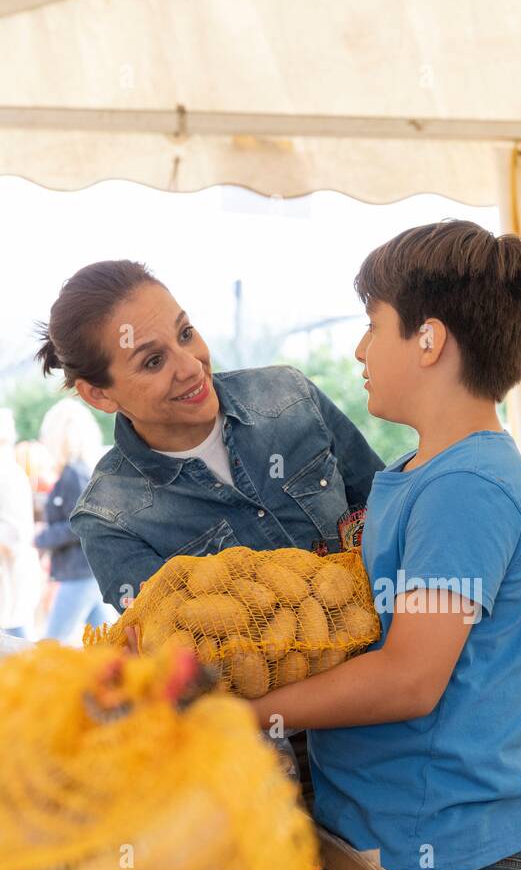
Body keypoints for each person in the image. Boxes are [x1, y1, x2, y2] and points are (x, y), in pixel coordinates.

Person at [251, 220, 521, 870]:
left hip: (439, 853)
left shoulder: (467, 487)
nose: (358, 349)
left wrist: (252, 713)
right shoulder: (421, 475)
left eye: (372, 325)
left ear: (430, 340)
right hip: (386, 831)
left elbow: (411, 678)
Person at [35, 260, 384, 788]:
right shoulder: (110, 517)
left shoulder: (288, 399)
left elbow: (387, 517)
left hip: (396, 717)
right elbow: (181, 674)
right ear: (99, 394)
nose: (191, 365)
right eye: (153, 361)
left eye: (185, 333)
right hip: (283, 775)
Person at [35, 399, 116, 643]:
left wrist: (41, 537)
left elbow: (80, 522)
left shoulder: (75, 474)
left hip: (81, 572)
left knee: (50, 645)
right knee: (110, 643)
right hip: (86, 571)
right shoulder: (78, 471)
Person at [0, 408, 41, 640]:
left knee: (18, 643)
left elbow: (12, 535)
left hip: (11, 580)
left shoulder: (7, 474)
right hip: (9, 581)